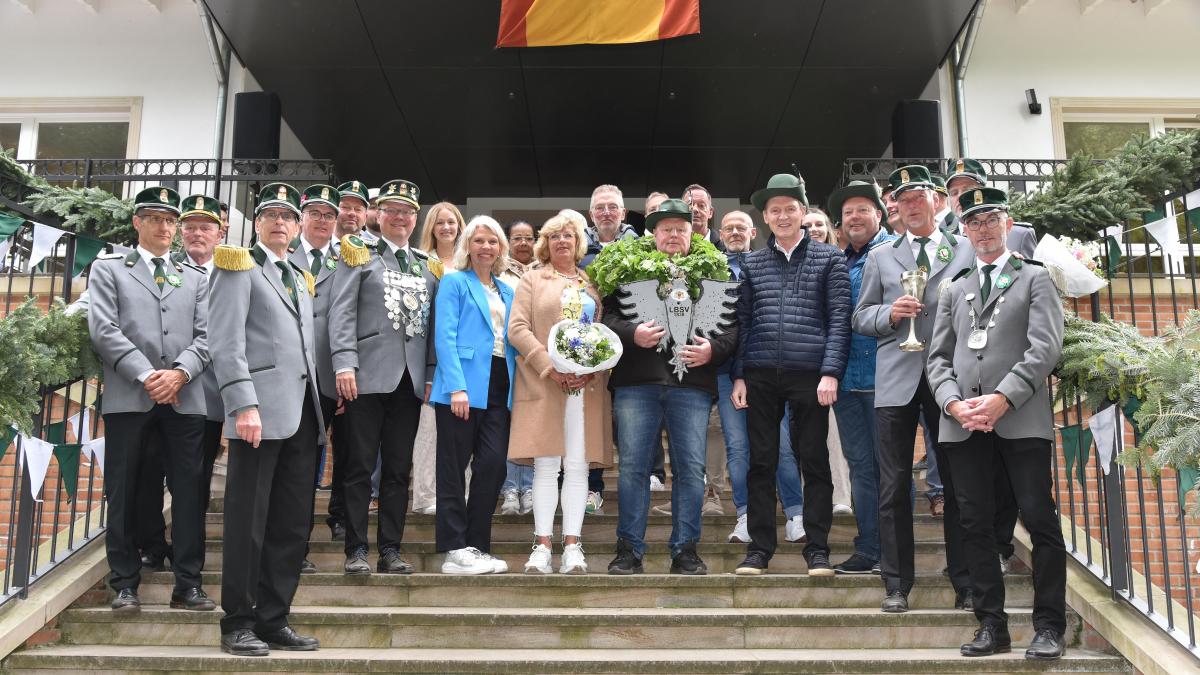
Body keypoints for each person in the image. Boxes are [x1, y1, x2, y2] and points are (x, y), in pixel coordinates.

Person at [927, 186, 1066, 660]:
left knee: (1039, 518)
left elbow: (1044, 348)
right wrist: (951, 404)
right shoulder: (954, 286)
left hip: (1020, 419)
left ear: (1007, 225)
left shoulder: (1035, 278)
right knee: (975, 524)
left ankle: (1049, 626)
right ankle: (992, 625)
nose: (983, 229)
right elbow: (937, 359)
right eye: (974, 222)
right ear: (963, 230)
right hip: (963, 424)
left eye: (991, 220)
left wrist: (1005, 396)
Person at [851, 164, 975, 613]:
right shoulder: (882, 256)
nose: (912, 204)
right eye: (903, 199)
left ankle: (965, 582)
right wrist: (890, 313)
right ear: (895, 209)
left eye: (920, 195)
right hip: (897, 379)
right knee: (892, 484)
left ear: (939, 202)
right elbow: (860, 317)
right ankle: (897, 584)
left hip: (952, 379)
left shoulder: (966, 250)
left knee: (960, 483)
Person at [209, 182, 324, 656]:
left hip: (301, 415)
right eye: (270, 214)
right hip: (258, 415)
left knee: (291, 526)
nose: (280, 222)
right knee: (246, 522)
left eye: (287, 216)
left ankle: (274, 618)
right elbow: (225, 341)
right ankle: (238, 620)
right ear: (257, 224)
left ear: (297, 228)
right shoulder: (239, 267)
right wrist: (243, 406)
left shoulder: (299, 275)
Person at [88, 186, 213, 614]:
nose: (164, 226)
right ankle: (124, 583)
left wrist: (180, 372)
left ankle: (188, 584)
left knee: (190, 491)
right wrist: (147, 375)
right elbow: (104, 329)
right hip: (130, 396)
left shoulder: (195, 277)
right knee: (124, 491)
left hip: (185, 397)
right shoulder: (109, 269)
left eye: (170, 220)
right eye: (155, 218)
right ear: (137, 223)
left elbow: (208, 334)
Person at [603, 199, 737, 576]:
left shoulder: (714, 273)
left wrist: (713, 350)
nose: (674, 235)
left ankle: (686, 550)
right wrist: (633, 333)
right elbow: (608, 317)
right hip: (637, 384)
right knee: (631, 469)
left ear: (692, 233)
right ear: (655, 234)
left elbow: (730, 328)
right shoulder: (629, 271)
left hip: (691, 386)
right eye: (666, 229)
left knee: (691, 470)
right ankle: (628, 550)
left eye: (681, 229)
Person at [730, 173, 850, 577]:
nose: (783, 216)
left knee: (813, 461)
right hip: (761, 373)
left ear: (803, 212)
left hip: (810, 376)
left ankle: (817, 548)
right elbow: (741, 322)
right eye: (774, 210)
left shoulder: (829, 258)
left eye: (790, 208)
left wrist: (831, 372)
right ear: (764, 217)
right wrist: (740, 375)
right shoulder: (752, 262)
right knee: (760, 462)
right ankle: (760, 550)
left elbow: (838, 320)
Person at [329, 179, 440, 577]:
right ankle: (356, 548)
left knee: (397, 470)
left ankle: (390, 548)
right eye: (391, 209)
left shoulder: (428, 266)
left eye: (407, 211)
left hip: (409, 383)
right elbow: (340, 311)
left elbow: (431, 328)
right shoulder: (359, 253)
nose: (399, 217)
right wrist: (344, 363)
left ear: (415, 218)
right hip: (366, 377)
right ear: (378, 214)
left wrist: (429, 374)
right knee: (358, 467)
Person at [508, 210, 613, 574]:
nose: (562, 241)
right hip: (545, 383)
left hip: (587, 389)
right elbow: (518, 328)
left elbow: (603, 334)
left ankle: (572, 546)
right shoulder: (532, 279)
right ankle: (541, 545)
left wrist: (597, 367)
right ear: (546, 244)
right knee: (546, 466)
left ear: (579, 242)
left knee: (578, 467)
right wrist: (549, 367)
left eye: (569, 235)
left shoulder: (592, 283)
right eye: (555, 236)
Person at [134, 194, 225, 575]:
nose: (196, 233)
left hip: (213, 396)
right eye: (189, 227)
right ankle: (154, 544)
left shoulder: (235, 269)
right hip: (161, 390)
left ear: (221, 233)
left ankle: (191, 552)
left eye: (205, 227)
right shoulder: (163, 267)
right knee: (149, 472)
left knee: (196, 480)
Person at [431, 215, 517, 575]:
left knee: (493, 466)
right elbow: (444, 337)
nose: (486, 247)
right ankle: (454, 548)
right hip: (461, 385)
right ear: (468, 245)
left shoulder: (510, 290)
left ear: (501, 248)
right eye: (479, 240)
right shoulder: (454, 283)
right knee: (452, 468)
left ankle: (477, 545)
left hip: (500, 384)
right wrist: (457, 387)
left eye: (493, 241)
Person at [716, 210, 807, 545]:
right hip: (728, 374)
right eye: (729, 228)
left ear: (753, 231)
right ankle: (745, 514)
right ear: (720, 233)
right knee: (739, 449)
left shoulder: (764, 264)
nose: (736, 232)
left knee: (781, 446)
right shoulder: (710, 269)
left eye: (741, 227)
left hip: (768, 369)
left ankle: (795, 513)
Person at [825, 181, 896, 575]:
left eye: (862, 209)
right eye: (848, 212)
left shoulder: (894, 253)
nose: (854, 217)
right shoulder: (839, 259)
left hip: (887, 380)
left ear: (878, 214)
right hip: (848, 382)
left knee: (891, 469)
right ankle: (869, 547)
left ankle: (894, 551)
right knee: (861, 468)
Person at [287, 184, 342, 574]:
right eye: (315, 214)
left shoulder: (351, 259)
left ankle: (303, 541)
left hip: (333, 378)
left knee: (314, 468)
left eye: (329, 215)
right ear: (301, 218)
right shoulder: (280, 257)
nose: (322, 221)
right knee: (293, 470)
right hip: (290, 378)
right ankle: (292, 549)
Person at [323, 180, 372, 541]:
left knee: (349, 447)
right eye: (346, 206)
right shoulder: (312, 251)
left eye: (359, 207)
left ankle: (339, 514)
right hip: (309, 368)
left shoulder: (370, 251)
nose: (351, 213)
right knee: (305, 448)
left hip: (352, 371)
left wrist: (347, 364)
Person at [410, 201, 465, 516]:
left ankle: (462, 493)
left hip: (464, 357)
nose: (446, 227)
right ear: (431, 227)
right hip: (429, 357)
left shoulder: (468, 264)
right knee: (428, 429)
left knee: (462, 431)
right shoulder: (421, 263)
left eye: (452, 222)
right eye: (440, 222)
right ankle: (425, 496)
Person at [944, 158, 1037, 260]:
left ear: (982, 192)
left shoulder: (1020, 235)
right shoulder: (943, 240)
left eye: (967, 190)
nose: (960, 197)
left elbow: (1032, 273)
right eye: (954, 193)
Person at [581, 184, 638, 267]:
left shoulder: (638, 248)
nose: (606, 213)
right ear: (591, 215)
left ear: (623, 214)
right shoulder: (577, 249)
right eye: (600, 207)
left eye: (613, 207)